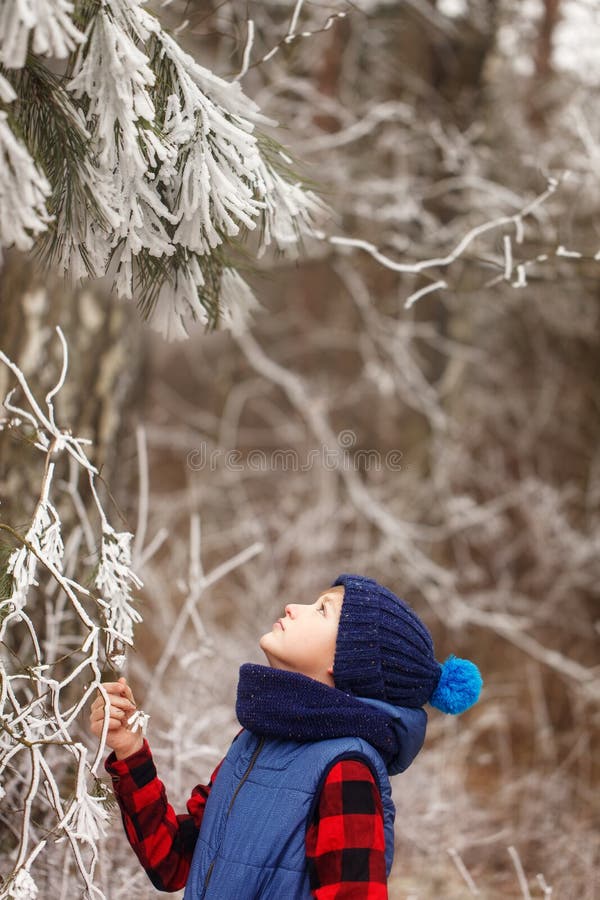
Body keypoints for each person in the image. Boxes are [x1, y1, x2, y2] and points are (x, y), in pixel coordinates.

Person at [90, 573, 482, 898]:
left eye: (322, 610)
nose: (294, 607)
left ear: (344, 660)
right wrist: (130, 750)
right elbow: (172, 862)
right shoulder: (253, 744)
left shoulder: (346, 770)